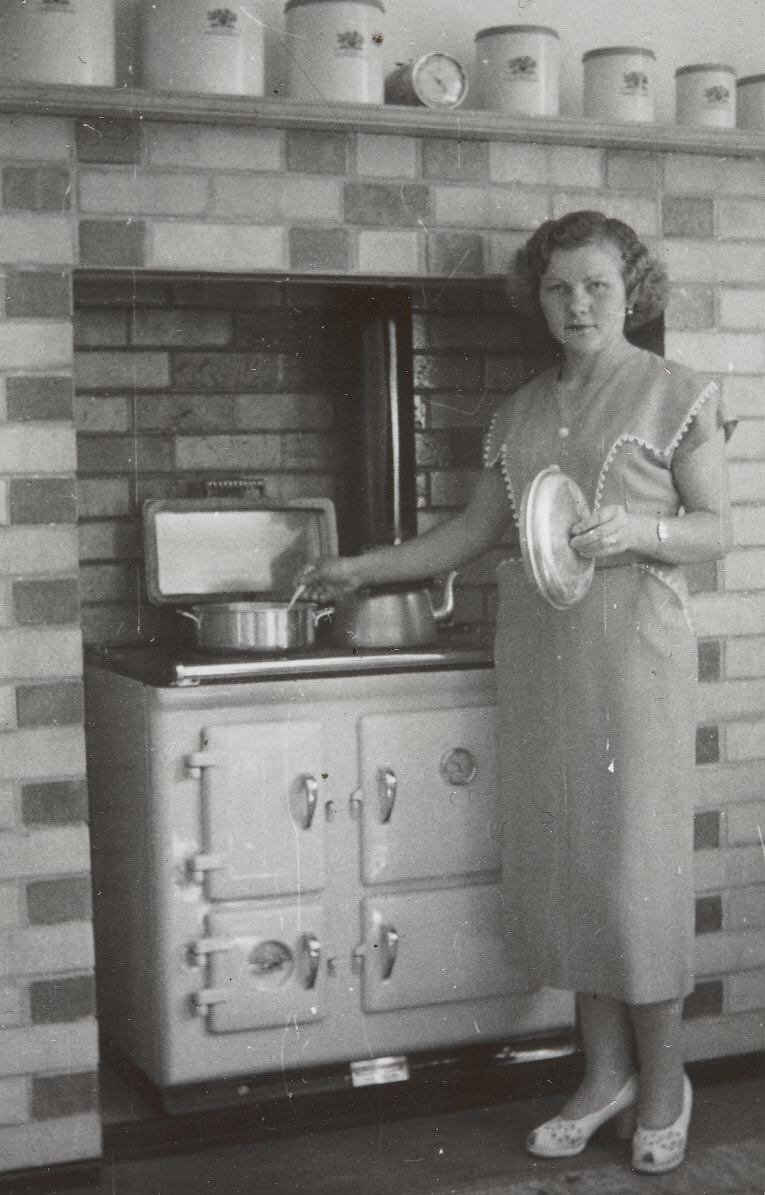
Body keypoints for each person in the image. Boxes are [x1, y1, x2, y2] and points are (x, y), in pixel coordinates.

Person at [299, 210, 733, 1175]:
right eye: (557, 289)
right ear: (535, 298)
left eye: (597, 287)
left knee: (632, 867)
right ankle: (602, 1075)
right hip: (541, 656)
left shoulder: (678, 394)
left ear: (632, 291)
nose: (577, 305)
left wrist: (637, 532)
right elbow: (467, 535)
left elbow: (716, 532)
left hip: (634, 661)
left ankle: (666, 1083)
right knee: (569, 863)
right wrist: (363, 568)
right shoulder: (520, 411)